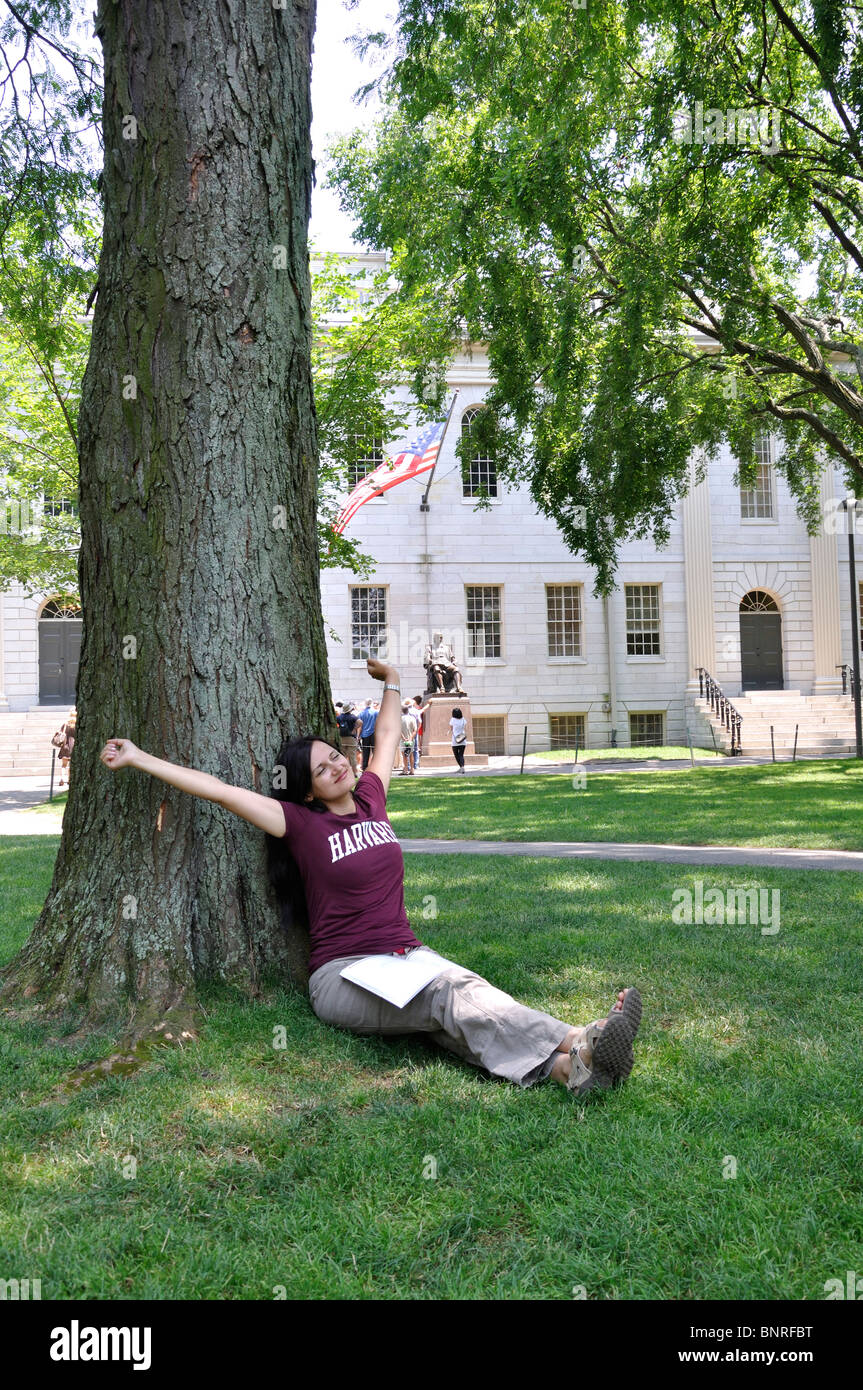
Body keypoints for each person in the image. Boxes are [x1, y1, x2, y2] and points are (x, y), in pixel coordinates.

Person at [98, 660, 642, 1096]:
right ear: (308, 790)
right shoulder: (299, 823)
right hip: (344, 975)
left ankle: (569, 1074)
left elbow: (385, 737)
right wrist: (141, 757)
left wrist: (394, 684)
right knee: (449, 994)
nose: (337, 766)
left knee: (453, 1009)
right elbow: (217, 789)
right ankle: (581, 1038)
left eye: (336, 755)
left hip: (405, 956)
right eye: (321, 768)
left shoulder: (372, 799)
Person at [52, 707, 77, 788]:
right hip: (73, 746)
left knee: (64, 765)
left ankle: (62, 778)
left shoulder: (65, 724)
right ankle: (69, 779)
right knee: (71, 765)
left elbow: (61, 733)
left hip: (65, 746)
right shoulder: (76, 724)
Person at [336, 702, 362, 775]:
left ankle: (343, 772)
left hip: (342, 738)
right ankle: (354, 773)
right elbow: (360, 722)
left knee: (342, 756)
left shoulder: (339, 717)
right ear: (350, 710)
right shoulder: (352, 717)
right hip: (351, 738)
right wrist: (354, 729)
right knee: (352, 756)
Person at [412, 695, 430, 772]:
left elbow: (421, 711)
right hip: (417, 728)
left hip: (417, 728)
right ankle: (414, 764)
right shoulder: (416, 709)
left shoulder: (416, 709)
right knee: (415, 746)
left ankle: (415, 764)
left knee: (416, 745)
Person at [399, 701, 418, 776]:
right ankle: (412, 769)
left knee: (404, 754)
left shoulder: (400, 718)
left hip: (403, 739)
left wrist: (404, 738)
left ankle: (406, 769)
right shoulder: (412, 718)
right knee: (411, 754)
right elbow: (415, 730)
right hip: (411, 739)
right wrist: (410, 738)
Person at [358, 699, 378, 770]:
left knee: (365, 753)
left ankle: (364, 768)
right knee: (375, 752)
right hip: (373, 734)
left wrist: (358, 736)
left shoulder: (361, 714)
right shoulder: (376, 712)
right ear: (371, 703)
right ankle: (375, 767)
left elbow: (360, 726)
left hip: (364, 735)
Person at [449, 706, 467, 774]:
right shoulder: (463, 719)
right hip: (462, 738)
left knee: (456, 754)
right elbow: (465, 727)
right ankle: (462, 767)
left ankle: (461, 767)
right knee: (461, 755)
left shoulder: (453, 719)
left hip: (455, 739)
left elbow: (451, 728)